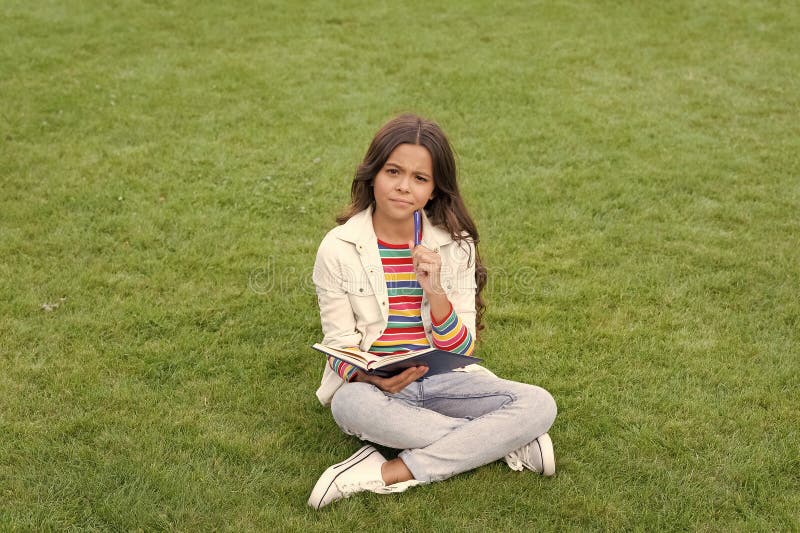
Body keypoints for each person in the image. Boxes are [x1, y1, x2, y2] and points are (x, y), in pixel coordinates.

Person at [308, 114, 557, 510]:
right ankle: (504, 441)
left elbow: (463, 348)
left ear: (433, 190)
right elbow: (340, 344)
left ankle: (383, 471)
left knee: (540, 403)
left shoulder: (454, 247)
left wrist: (435, 290)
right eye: (393, 171)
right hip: (375, 391)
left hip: (443, 383)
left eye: (420, 179)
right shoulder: (338, 247)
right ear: (374, 174)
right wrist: (368, 377)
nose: (404, 186)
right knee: (348, 404)